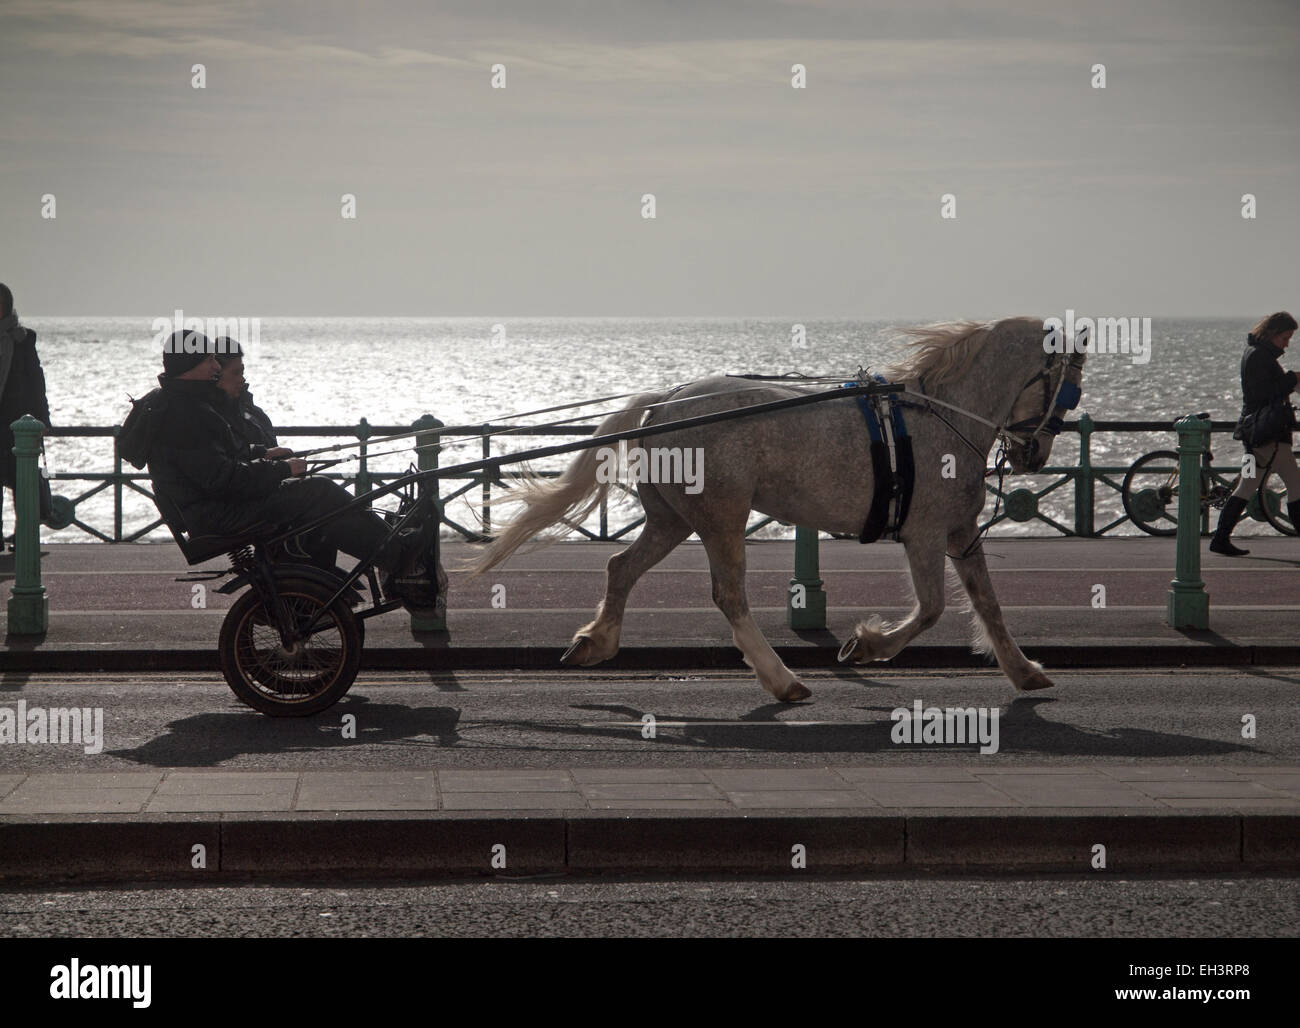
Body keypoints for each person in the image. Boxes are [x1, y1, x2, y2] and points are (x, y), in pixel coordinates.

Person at [137, 329, 442, 612]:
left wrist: (263, 453)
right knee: (318, 492)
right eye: (210, 359)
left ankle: (362, 570)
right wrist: (280, 469)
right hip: (218, 514)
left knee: (316, 501)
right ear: (192, 364)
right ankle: (398, 558)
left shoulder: (182, 405)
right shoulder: (184, 416)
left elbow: (220, 461)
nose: (216, 365)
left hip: (212, 508)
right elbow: (223, 479)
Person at [1211, 311, 1300, 556]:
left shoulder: (1255, 354)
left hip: (1255, 437)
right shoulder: (1260, 357)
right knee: (1295, 484)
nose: (1287, 343)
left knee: (1247, 486)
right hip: (1269, 439)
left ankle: (1220, 538)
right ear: (1272, 333)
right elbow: (1265, 394)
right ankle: (1220, 538)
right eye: (1285, 337)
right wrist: (1292, 378)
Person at [0, 283, 53, 546]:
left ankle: (25, 534)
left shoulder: (23, 339)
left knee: (23, 481)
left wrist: (43, 418)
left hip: (18, 423)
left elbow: (36, 380)